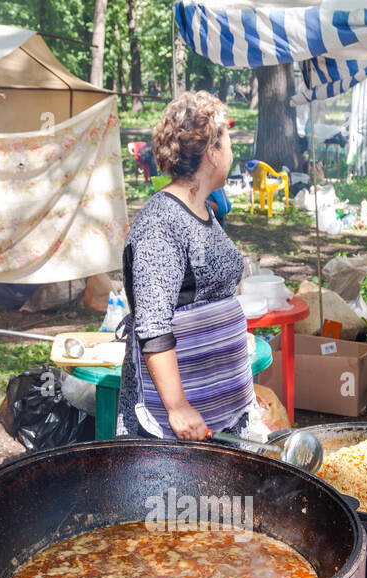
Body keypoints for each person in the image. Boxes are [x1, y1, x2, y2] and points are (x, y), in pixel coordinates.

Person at [115, 92, 263, 442]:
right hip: (176, 423)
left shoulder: (204, 209)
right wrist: (178, 406)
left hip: (219, 406)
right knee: (178, 499)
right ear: (211, 152)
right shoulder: (160, 223)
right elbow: (153, 324)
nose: (232, 153)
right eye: (227, 142)